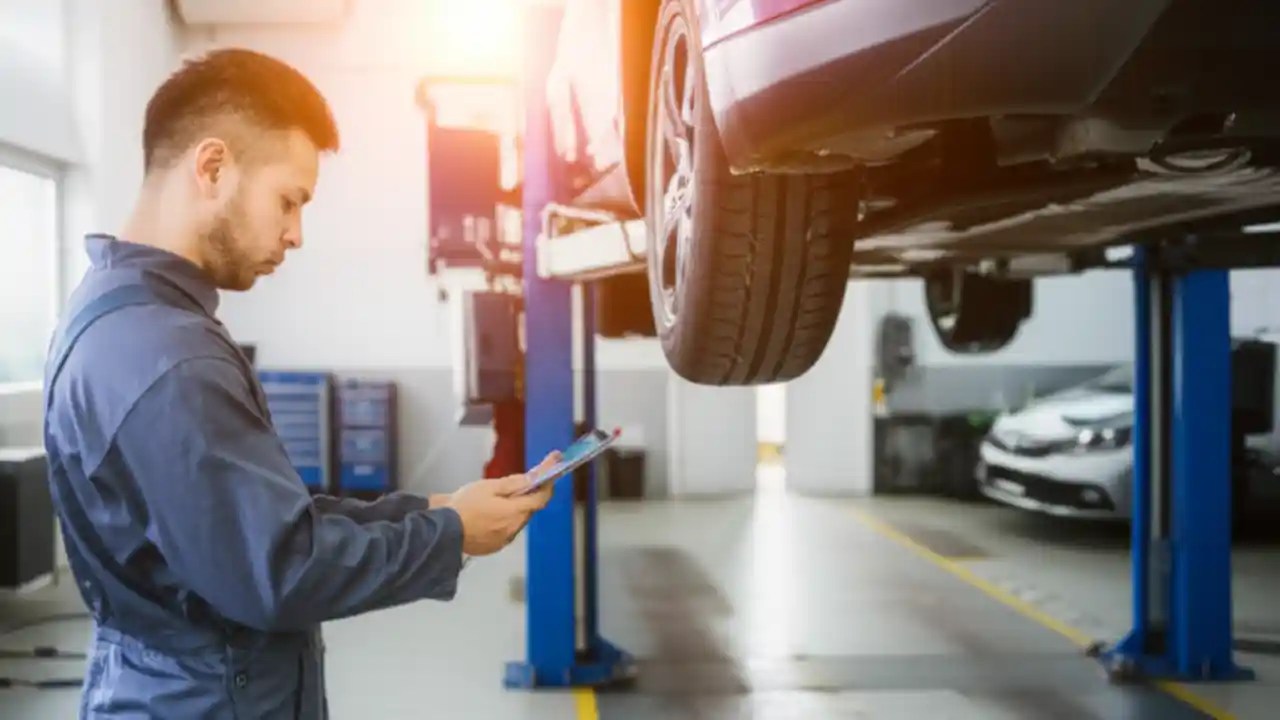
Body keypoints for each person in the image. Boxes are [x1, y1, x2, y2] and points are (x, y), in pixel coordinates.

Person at [42, 48, 558, 718]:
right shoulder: (169, 358)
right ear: (213, 167)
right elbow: (279, 571)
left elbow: (258, 515)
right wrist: (452, 535)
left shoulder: (116, 312)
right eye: (290, 201)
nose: (296, 233)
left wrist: (433, 507)